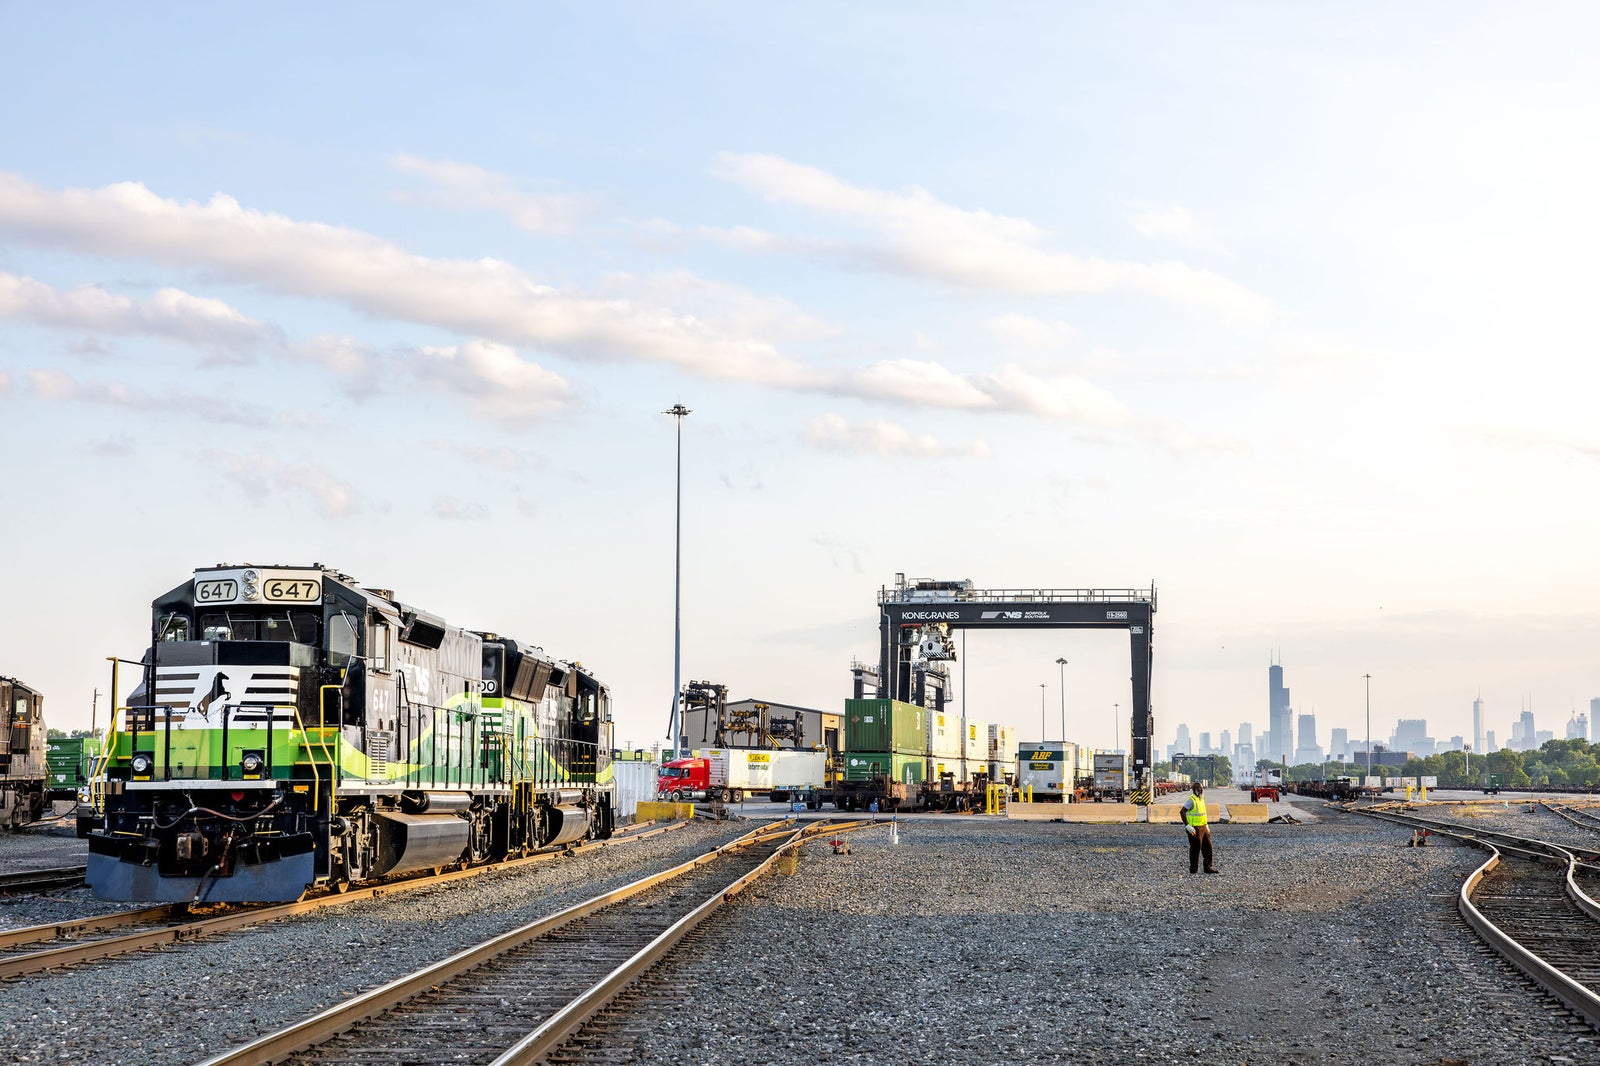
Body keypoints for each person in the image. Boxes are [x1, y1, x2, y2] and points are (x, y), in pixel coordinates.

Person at [1181, 780, 1218, 874]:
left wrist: (1206, 826)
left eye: (1202, 788)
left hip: (1203, 827)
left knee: (1208, 847)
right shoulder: (1192, 800)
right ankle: (1193, 869)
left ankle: (1208, 867)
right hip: (1195, 828)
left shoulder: (1201, 799)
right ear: (1194, 790)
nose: (1201, 790)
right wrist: (1188, 826)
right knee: (1195, 849)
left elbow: (1203, 814)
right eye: (1199, 789)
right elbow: (1182, 812)